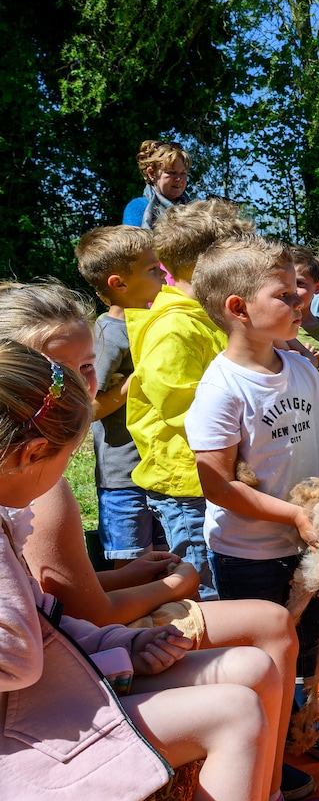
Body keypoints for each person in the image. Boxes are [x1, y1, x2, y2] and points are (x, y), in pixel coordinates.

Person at [0, 281, 319, 801]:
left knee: (267, 636)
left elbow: (52, 609)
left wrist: (128, 603)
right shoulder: (31, 494)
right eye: (72, 369)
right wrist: (173, 587)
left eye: (88, 366)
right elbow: (53, 628)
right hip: (55, 698)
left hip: (86, 656)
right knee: (262, 645)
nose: (90, 384)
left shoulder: (23, 482)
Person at [185, 236, 319, 765]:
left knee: (305, 642)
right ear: (238, 309)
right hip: (250, 552)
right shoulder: (223, 389)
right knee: (265, 654)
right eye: (285, 294)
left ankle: (297, 723)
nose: (300, 301)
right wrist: (294, 515)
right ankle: (266, 755)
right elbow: (216, 484)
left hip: (304, 542)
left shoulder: (302, 368)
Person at [126, 198, 255, 599]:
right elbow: (183, 410)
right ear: (207, 266)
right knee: (203, 582)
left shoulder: (207, 316)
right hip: (187, 485)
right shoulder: (174, 329)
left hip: (215, 473)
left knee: (226, 572)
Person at [73, 228, 167, 562]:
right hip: (122, 477)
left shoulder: (154, 321)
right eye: (153, 269)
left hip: (157, 466)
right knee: (130, 560)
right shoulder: (110, 334)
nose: (163, 275)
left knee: (163, 557)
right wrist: (134, 384)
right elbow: (89, 407)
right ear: (119, 283)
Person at [288, 245, 319, 379]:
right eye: (285, 283)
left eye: (299, 283)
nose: (292, 290)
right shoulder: (270, 331)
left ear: (317, 287)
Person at [123, 140, 191, 230]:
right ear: (151, 173)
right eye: (171, 172)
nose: (178, 179)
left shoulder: (197, 211)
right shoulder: (137, 208)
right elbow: (133, 243)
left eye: (183, 173)